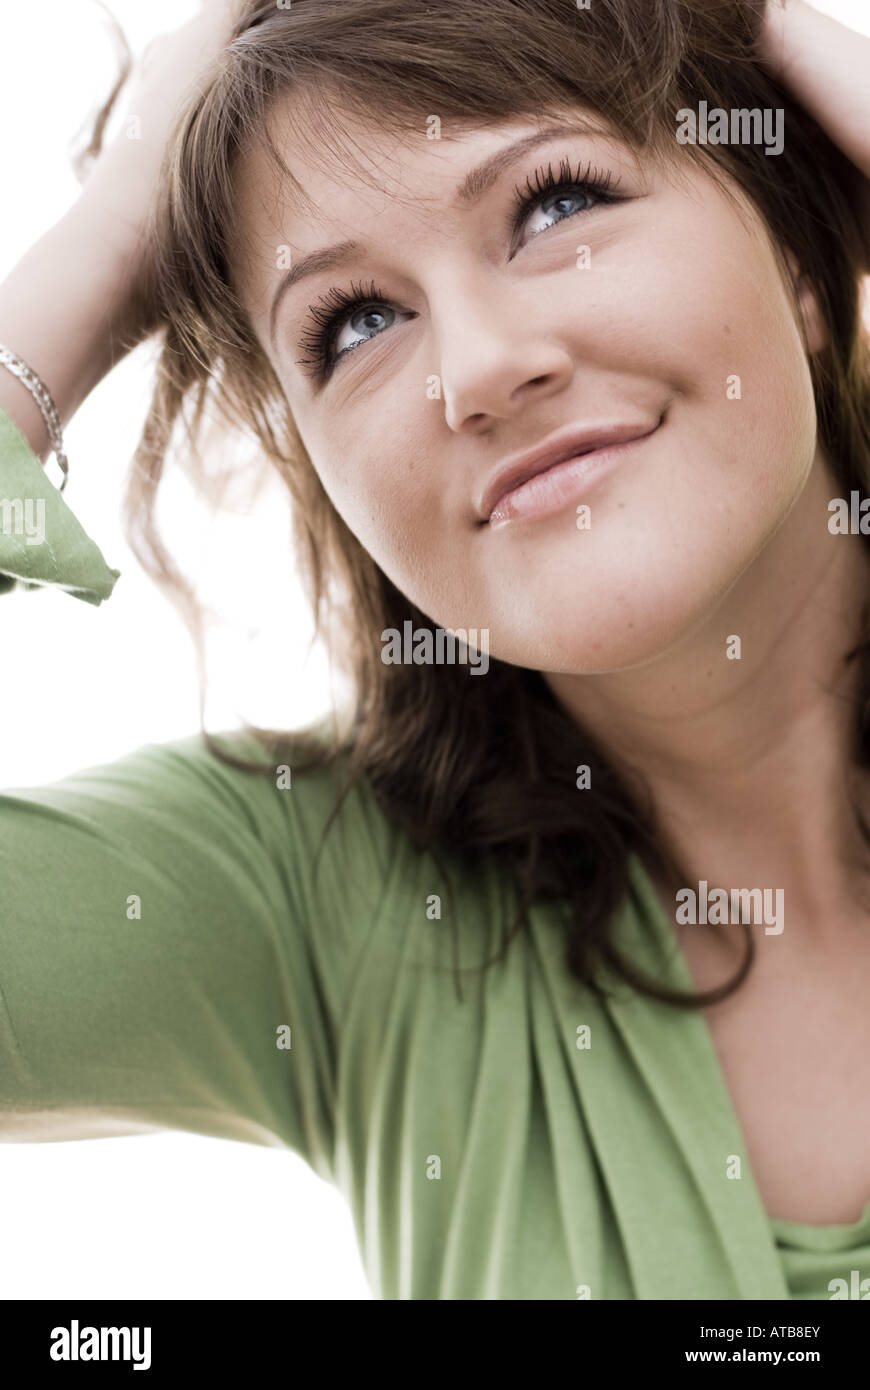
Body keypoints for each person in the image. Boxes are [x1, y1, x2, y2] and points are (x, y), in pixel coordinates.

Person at [1, 0, 869, 1301]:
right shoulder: (322, 903)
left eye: (555, 206)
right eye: (352, 324)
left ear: (798, 263)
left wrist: (792, 32)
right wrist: (124, 219)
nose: (475, 369)